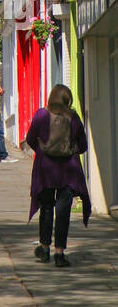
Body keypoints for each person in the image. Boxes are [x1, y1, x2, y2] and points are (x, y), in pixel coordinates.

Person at [25, 84, 91, 267]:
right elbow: (83, 145)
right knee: (63, 213)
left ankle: (44, 249)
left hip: (45, 170)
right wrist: (70, 149)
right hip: (68, 172)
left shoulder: (41, 115)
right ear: (67, 100)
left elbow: (30, 139)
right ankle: (60, 254)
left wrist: (43, 149)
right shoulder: (73, 117)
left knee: (46, 209)